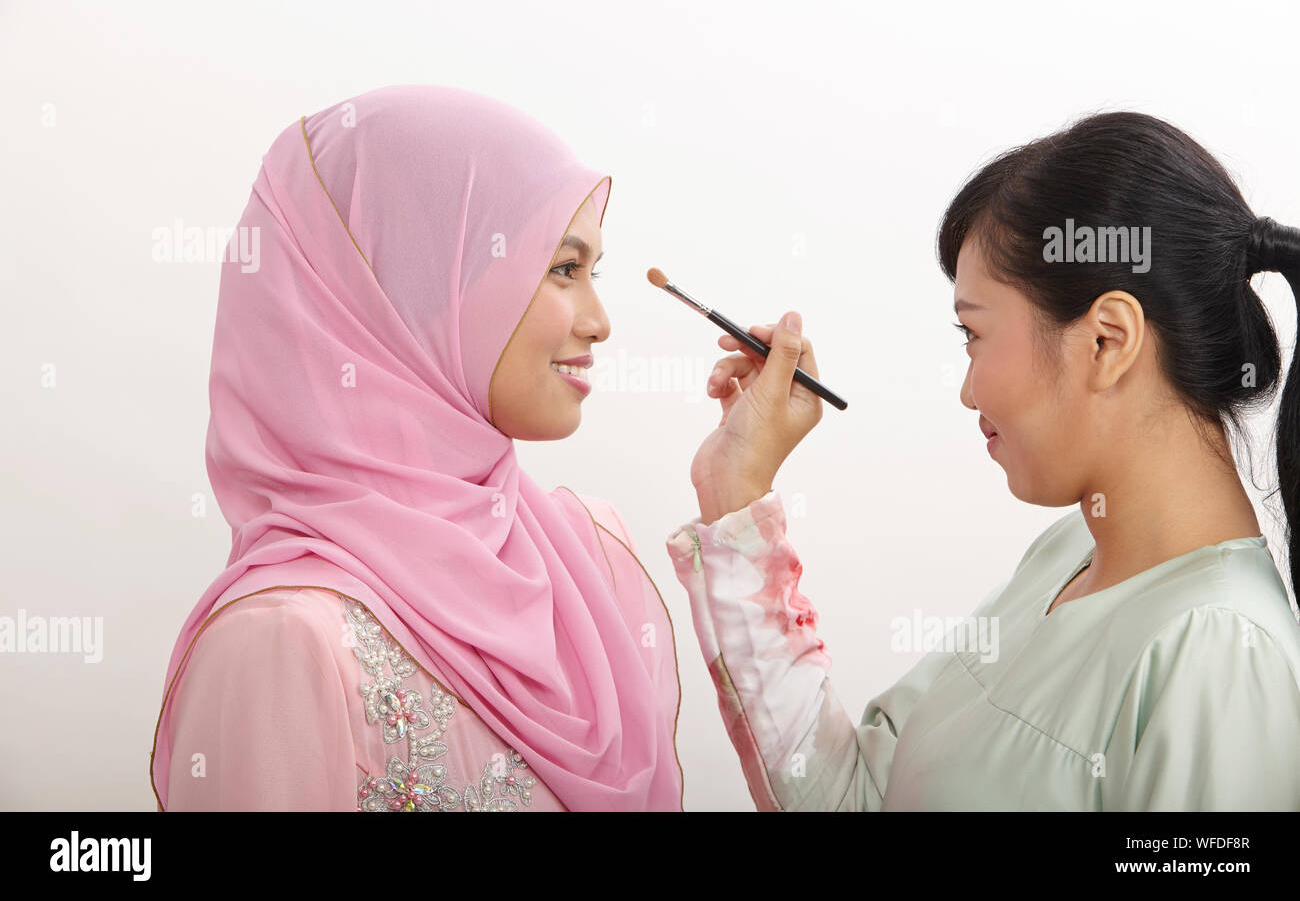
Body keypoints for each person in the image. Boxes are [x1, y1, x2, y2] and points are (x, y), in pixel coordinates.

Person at [669, 110, 1300, 809]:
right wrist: (736, 485)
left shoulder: (1220, 653)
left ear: (1107, 341)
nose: (968, 390)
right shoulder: (1068, 557)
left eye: (972, 333)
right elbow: (861, 799)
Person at [149, 84, 683, 812]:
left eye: (595, 272)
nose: (600, 321)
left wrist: (740, 497)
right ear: (421, 295)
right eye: (564, 268)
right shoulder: (282, 642)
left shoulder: (589, 563)